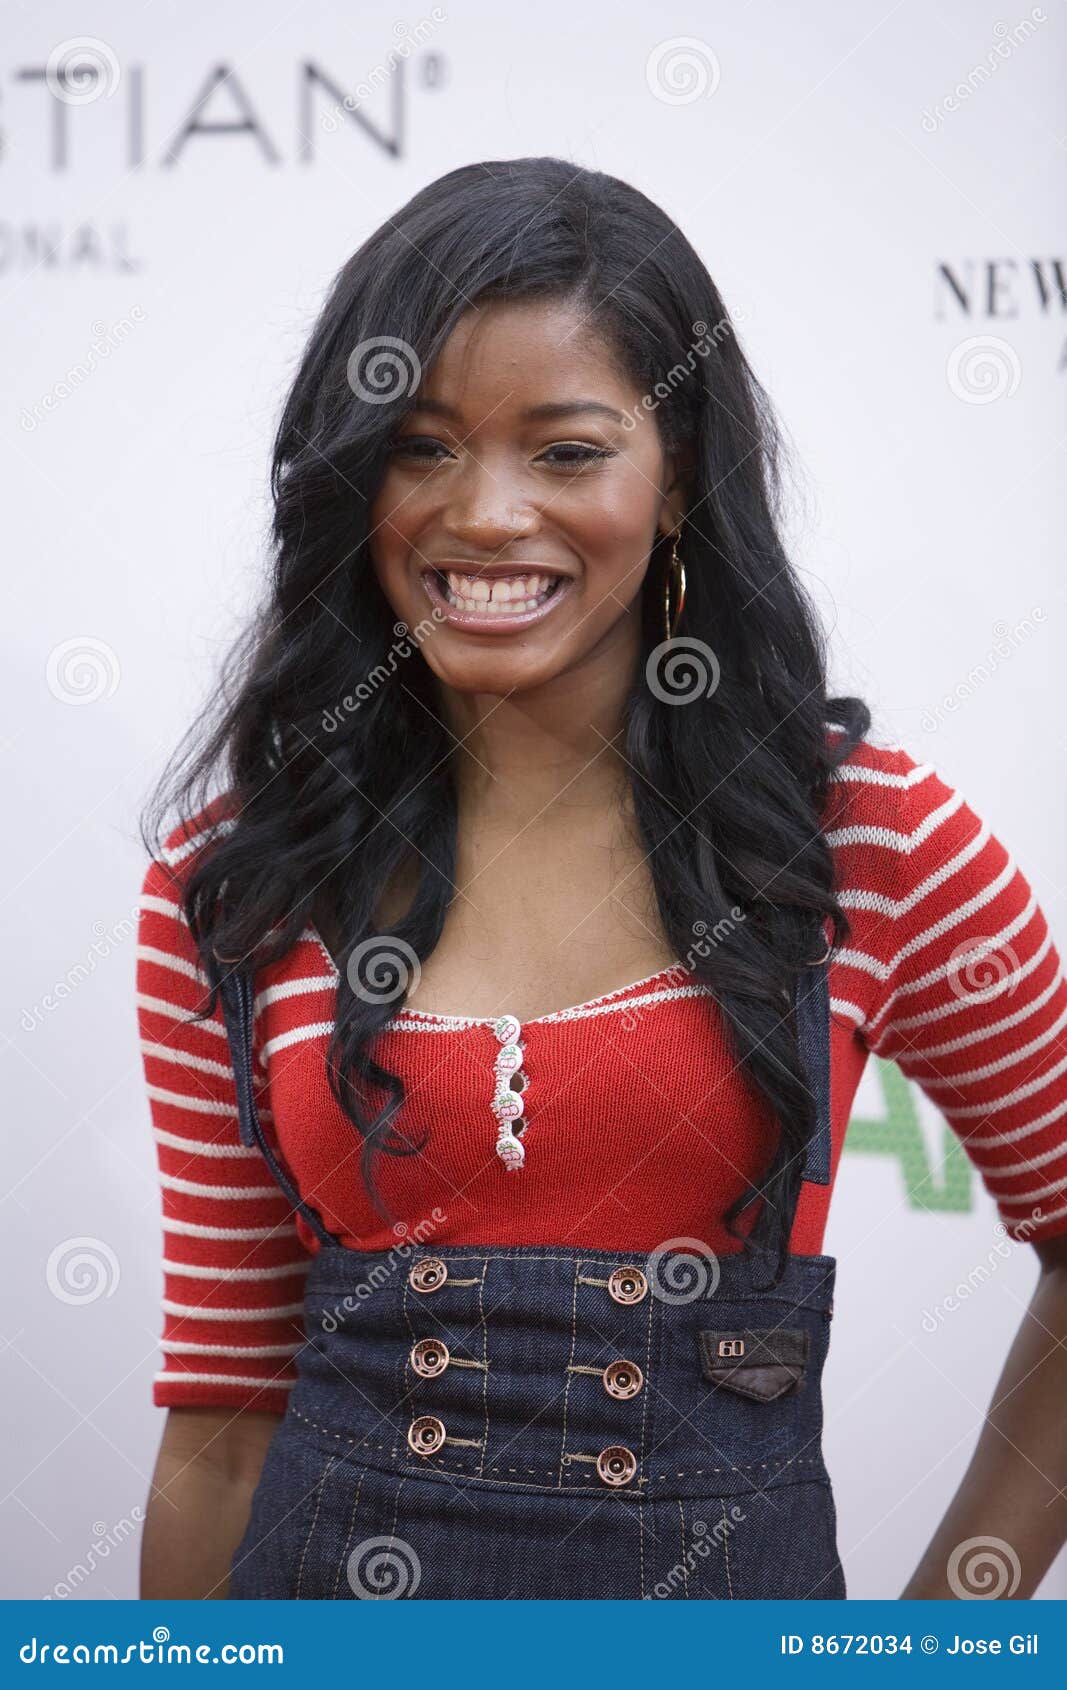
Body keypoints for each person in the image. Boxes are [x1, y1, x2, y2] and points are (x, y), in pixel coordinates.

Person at [135, 156, 1067, 1600]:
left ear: (676, 472)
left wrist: (945, 1640)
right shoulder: (242, 877)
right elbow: (221, 1420)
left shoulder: (866, 840)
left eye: (566, 452)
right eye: (421, 448)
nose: (487, 514)